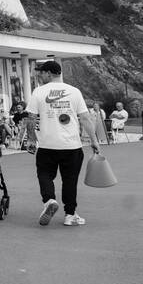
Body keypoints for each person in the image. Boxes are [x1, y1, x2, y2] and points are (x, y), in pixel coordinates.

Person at [24, 60, 101, 227]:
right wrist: (94, 141)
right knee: (70, 180)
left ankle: (49, 200)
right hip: (71, 146)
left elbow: (30, 118)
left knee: (44, 175)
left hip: (47, 145)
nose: (39, 76)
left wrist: (31, 139)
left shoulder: (38, 92)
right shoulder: (74, 91)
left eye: (41, 73)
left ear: (49, 73)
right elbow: (85, 118)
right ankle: (70, 215)